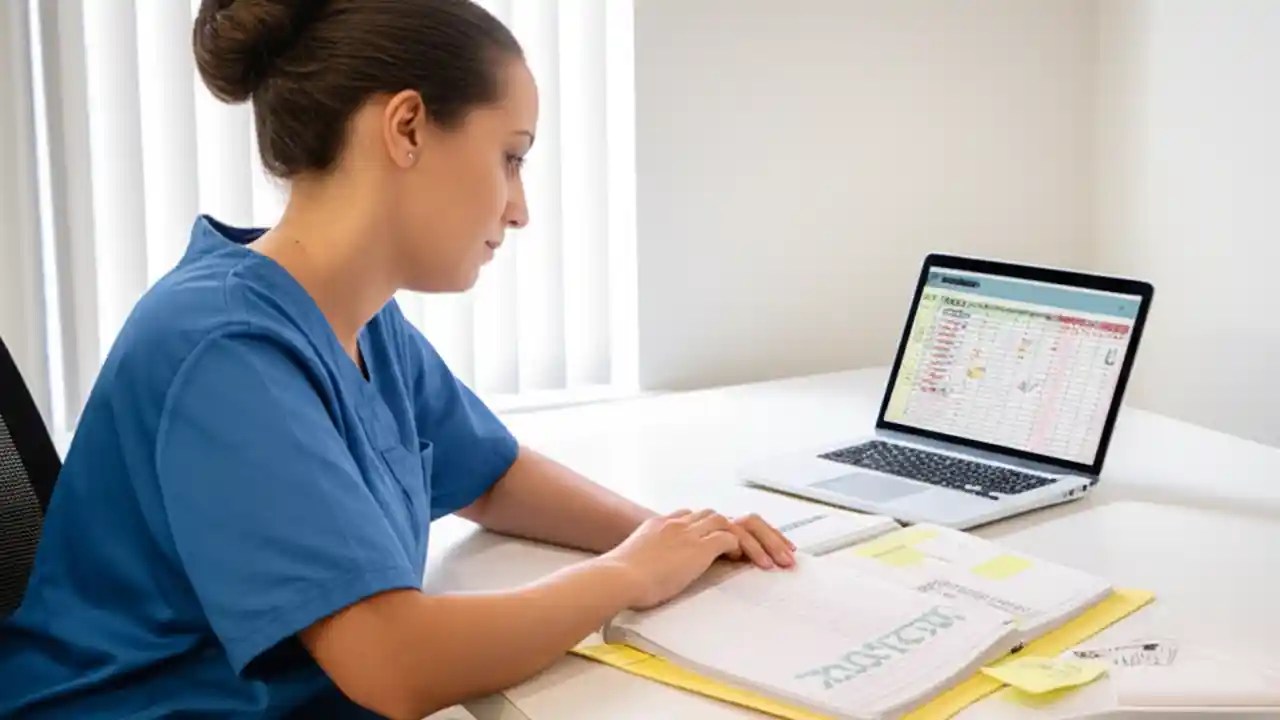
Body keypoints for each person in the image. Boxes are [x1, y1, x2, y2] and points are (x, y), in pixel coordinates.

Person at [0, 1, 797, 718]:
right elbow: (393, 662)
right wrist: (630, 576)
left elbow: (489, 474)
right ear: (407, 127)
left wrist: (677, 538)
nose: (519, 209)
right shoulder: (221, 349)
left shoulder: (361, 320)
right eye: (511, 157)